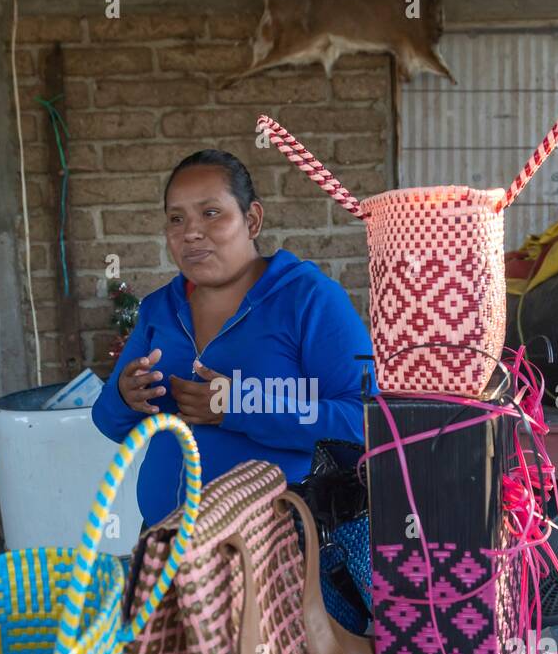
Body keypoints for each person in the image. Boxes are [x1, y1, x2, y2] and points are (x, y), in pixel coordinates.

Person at [92, 149, 373, 526]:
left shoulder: (308, 299)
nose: (191, 231)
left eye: (211, 213)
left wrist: (240, 406)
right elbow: (110, 423)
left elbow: (364, 422)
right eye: (177, 219)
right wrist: (125, 397)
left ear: (252, 220)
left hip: (275, 550)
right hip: (167, 546)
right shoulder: (159, 309)